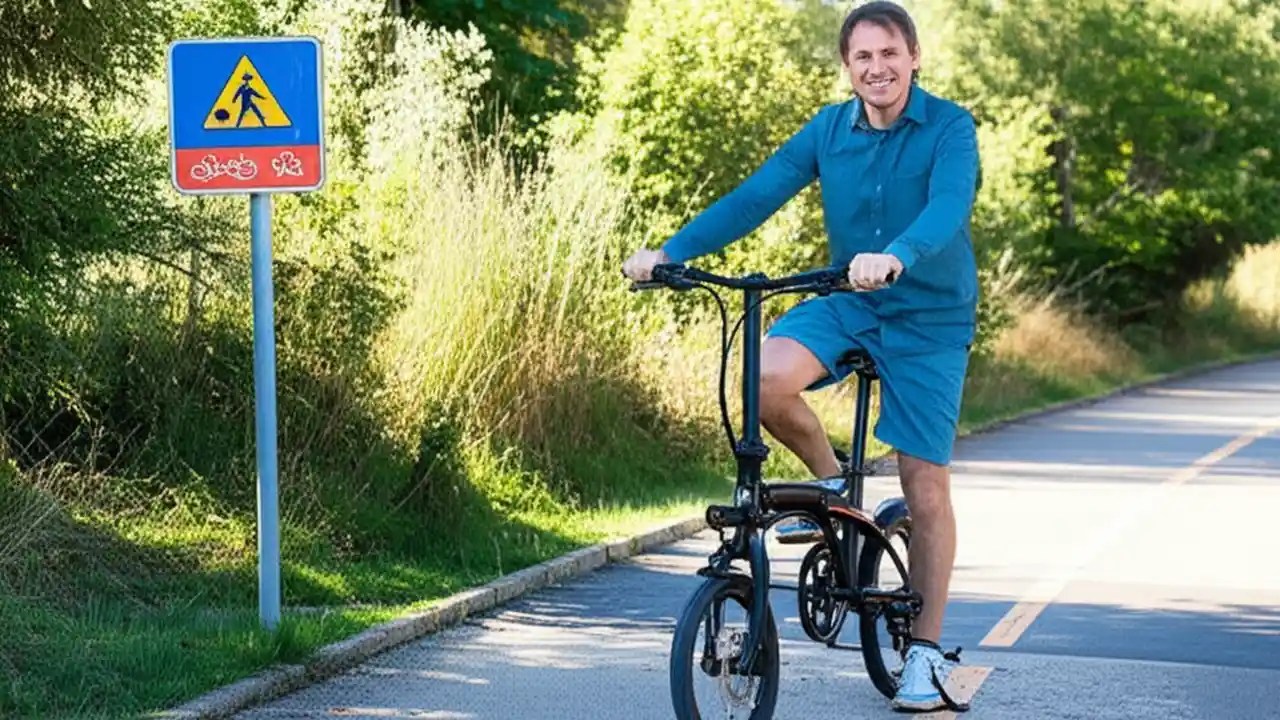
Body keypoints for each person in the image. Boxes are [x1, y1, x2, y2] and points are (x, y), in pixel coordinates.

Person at [621, 1, 980, 713]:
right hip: (850, 299)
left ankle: (926, 654)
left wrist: (896, 256)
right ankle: (833, 492)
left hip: (929, 316)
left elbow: (948, 207)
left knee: (924, 483)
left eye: (889, 54)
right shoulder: (828, 130)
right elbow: (758, 194)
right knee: (763, 379)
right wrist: (671, 253)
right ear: (848, 67)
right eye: (862, 58)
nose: (877, 68)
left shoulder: (949, 128)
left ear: (913, 57)